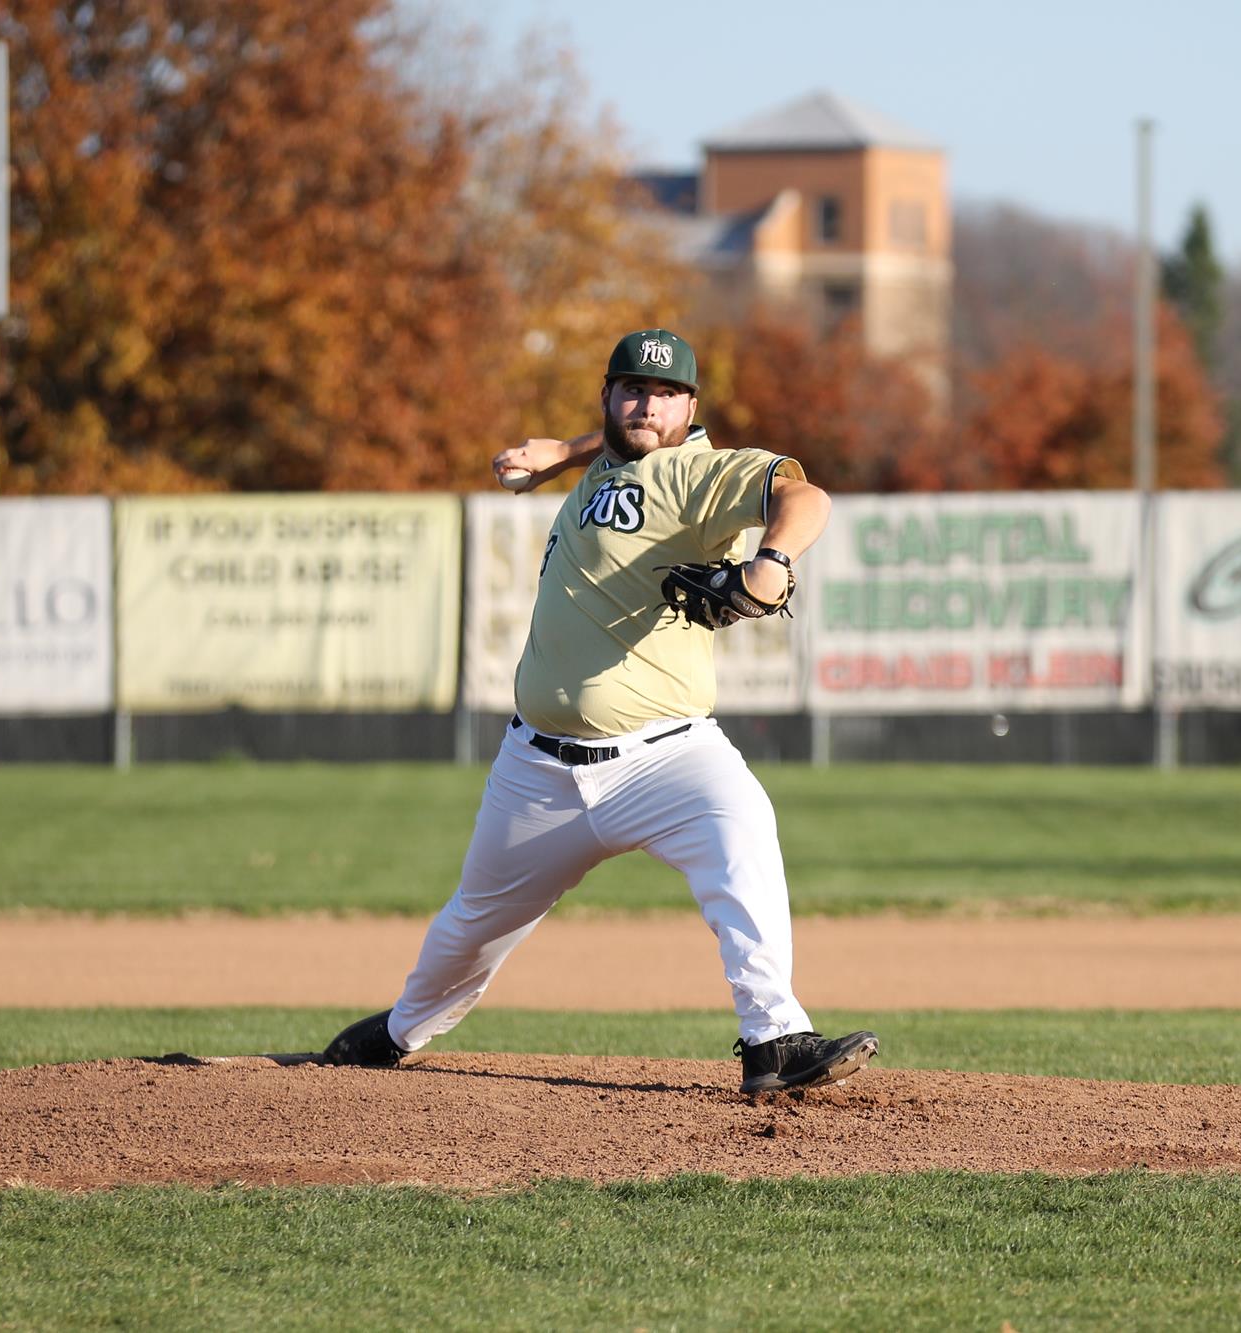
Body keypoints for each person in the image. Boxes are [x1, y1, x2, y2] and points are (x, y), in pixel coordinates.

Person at [323, 329, 877, 1094]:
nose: (647, 403)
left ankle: (773, 1039)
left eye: (665, 393)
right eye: (631, 388)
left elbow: (801, 496)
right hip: (537, 770)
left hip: (669, 757)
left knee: (742, 835)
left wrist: (773, 559)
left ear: (691, 407)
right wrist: (563, 449)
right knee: (469, 927)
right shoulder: (610, 458)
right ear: (609, 397)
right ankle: (399, 1031)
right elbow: (624, 439)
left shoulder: (701, 474)